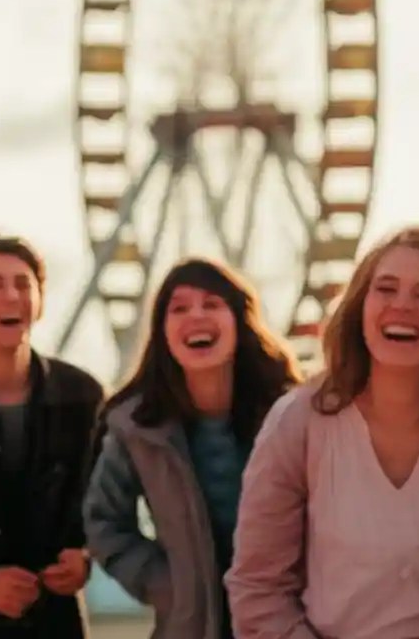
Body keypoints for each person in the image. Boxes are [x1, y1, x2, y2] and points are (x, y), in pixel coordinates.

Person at [226, 224, 419, 638]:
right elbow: (258, 588)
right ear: (359, 305)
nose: (403, 306)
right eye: (386, 289)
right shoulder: (300, 422)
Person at [83, 257, 303, 639]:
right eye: (179, 308)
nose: (196, 316)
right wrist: (169, 586)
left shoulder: (293, 416)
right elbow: (104, 521)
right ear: (162, 332)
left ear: (239, 321)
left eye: (212, 304)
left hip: (288, 621)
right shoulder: (135, 428)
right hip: (190, 626)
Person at [0, 234, 104, 639]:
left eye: (23, 283)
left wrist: (86, 559)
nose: (11, 295)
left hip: (55, 621)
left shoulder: (83, 396)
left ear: (40, 301)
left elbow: (107, 505)